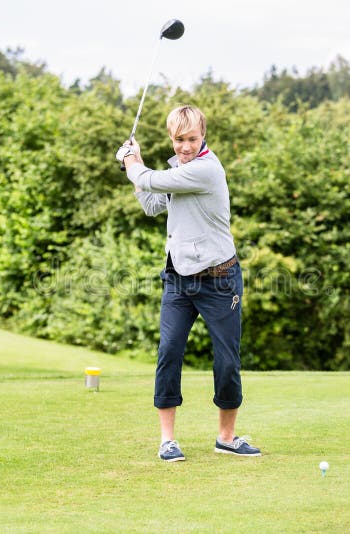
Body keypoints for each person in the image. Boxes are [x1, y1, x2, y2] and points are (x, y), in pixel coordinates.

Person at [115, 105, 261, 462]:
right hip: (178, 280)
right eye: (179, 140)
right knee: (169, 353)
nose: (185, 146)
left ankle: (226, 437)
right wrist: (134, 166)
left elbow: (148, 179)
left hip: (220, 280)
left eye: (192, 138)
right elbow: (151, 203)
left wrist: (133, 162)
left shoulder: (206, 170)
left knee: (227, 361)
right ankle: (167, 440)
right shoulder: (176, 169)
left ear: (203, 136)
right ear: (172, 138)